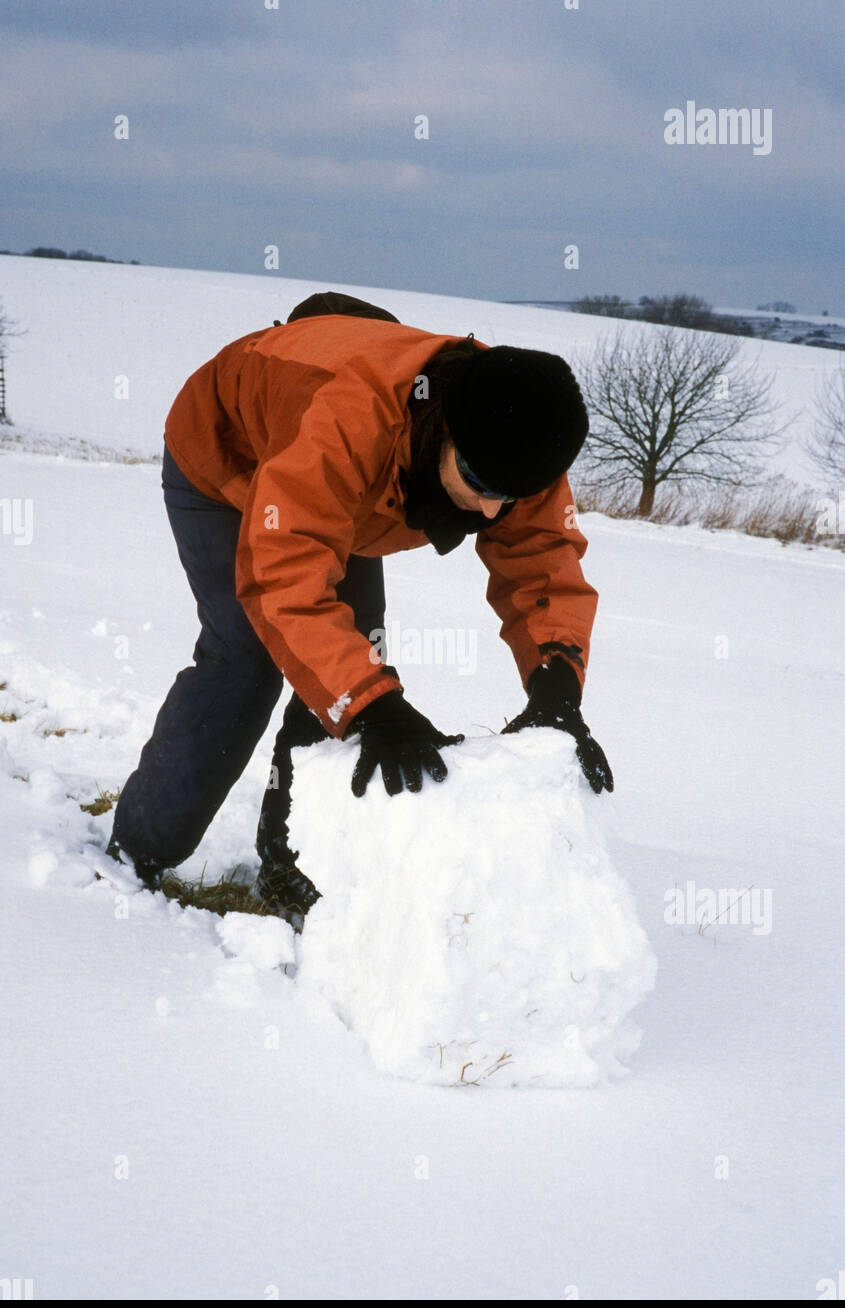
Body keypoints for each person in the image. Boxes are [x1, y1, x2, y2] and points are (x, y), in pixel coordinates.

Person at [108, 291, 613, 927]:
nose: (492, 511)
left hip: (344, 501)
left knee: (352, 662)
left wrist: (556, 687)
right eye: (481, 486)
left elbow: (544, 562)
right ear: (445, 431)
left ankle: (293, 858)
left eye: (512, 497)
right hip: (227, 462)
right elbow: (283, 574)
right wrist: (373, 706)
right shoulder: (351, 418)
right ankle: (140, 848)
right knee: (251, 660)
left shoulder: (520, 431)